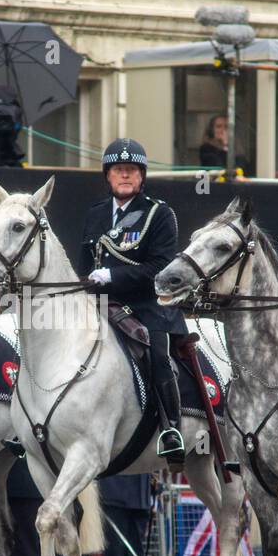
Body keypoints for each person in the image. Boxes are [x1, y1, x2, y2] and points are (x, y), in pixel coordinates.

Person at [77, 138, 188, 465]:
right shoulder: (96, 214)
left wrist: (112, 276)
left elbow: (161, 267)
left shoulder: (159, 213)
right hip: (99, 305)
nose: (124, 176)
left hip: (146, 305)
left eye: (131, 170)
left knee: (155, 354)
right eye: (118, 170)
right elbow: (85, 265)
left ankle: (172, 428)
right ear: (108, 176)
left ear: (141, 176)